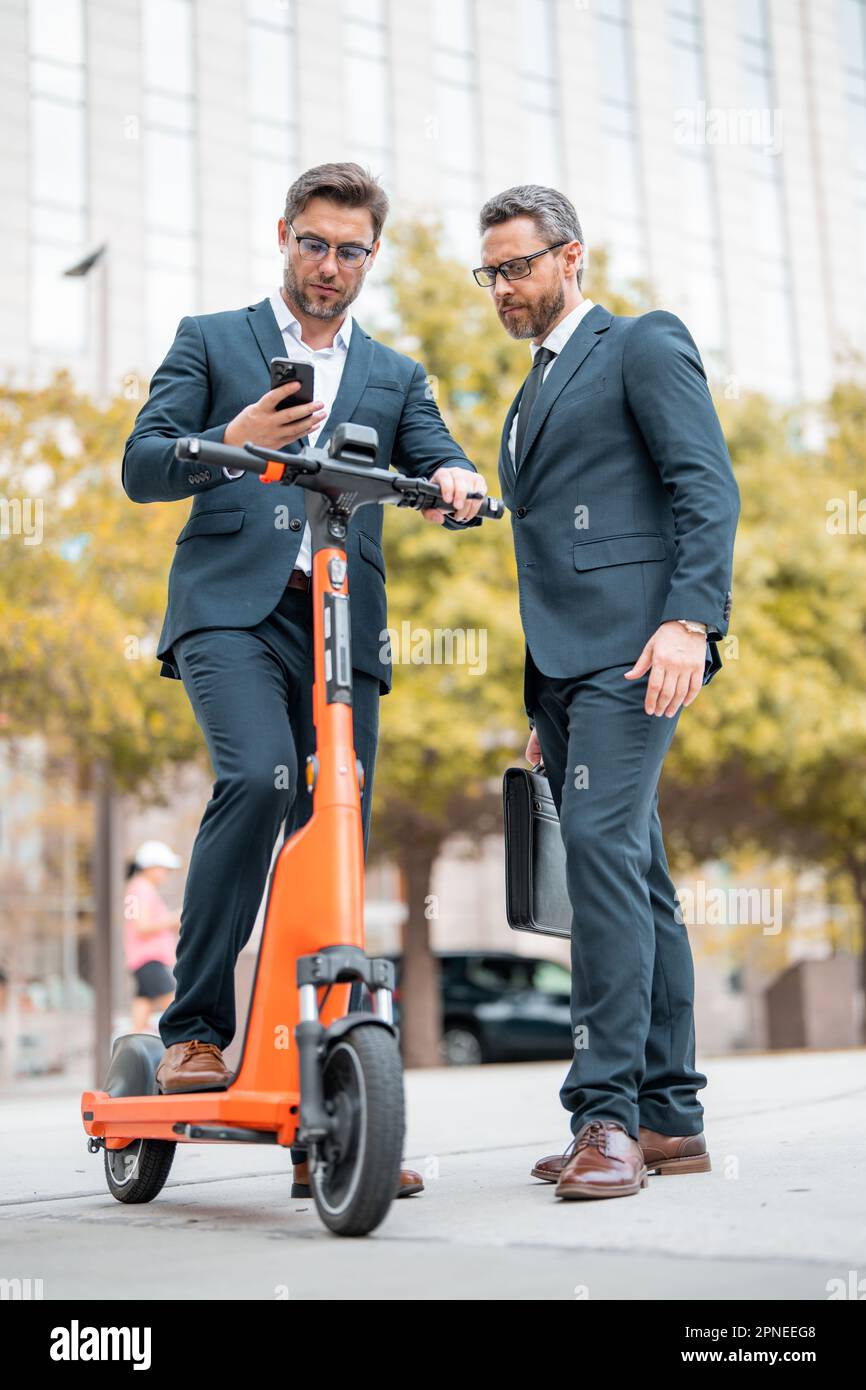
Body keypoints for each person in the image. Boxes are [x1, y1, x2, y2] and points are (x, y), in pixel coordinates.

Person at [122, 161, 489, 1199]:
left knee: (336, 819)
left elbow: (438, 453)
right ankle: (195, 1029)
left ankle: (323, 1079)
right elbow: (141, 463)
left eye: (351, 250)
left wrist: (454, 479)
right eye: (313, 244)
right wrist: (229, 441)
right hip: (231, 613)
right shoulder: (212, 339)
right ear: (282, 235)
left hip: (339, 625)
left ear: (373, 257)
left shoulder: (392, 371)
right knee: (263, 781)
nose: (329, 266)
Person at [475, 184, 739, 1200]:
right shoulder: (522, 395)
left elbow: (703, 483)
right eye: (489, 272)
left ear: (569, 256)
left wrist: (688, 619)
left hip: (636, 651)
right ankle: (670, 1116)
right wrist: (542, 707)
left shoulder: (639, 343)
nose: (503, 287)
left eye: (518, 266)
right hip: (567, 671)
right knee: (636, 872)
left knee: (596, 857)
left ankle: (605, 1116)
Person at [123, 840, 182, 1034]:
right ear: (150, 867)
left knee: (139, 1023)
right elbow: (142, 926)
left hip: (141, 959)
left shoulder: (136, 887)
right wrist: (173, 919)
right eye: (163, 869)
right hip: (148, 959)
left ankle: (130, 1057)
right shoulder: (142, 888)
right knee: (178, 1008)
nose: (165, 874)